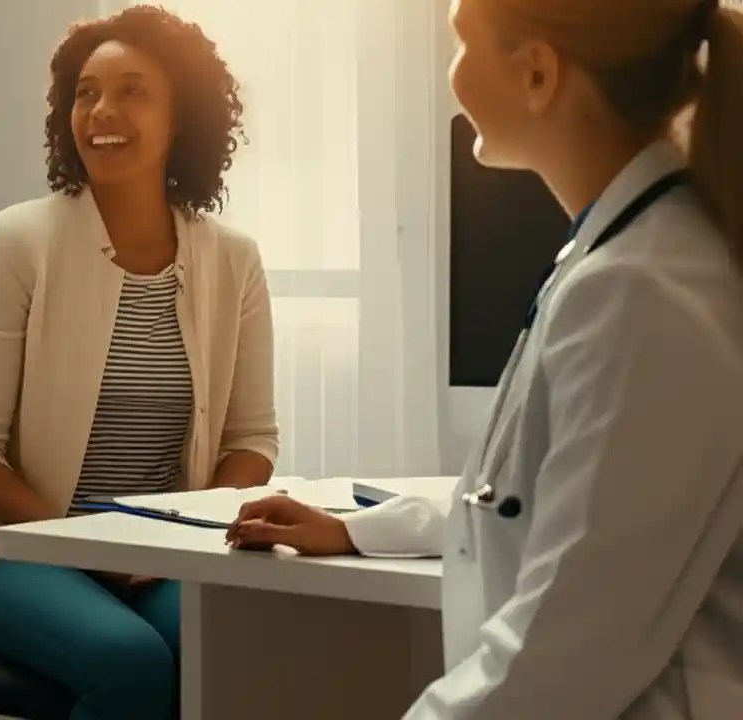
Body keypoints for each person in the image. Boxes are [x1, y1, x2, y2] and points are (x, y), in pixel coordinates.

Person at [228, 0, 743, 716]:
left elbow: (564, 655)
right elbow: (541, 499)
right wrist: (356, 528)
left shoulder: (642, 290)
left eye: (461, 46)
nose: (453, 79)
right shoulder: (624, 260)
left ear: (537, 73)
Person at [0, 5, 279, 719]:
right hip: (5, 547)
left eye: (132, 91)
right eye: (86, 92)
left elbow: (251, 443)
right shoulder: (18, 240)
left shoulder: (233, 259)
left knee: (246, 642)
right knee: (131, 662)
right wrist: (91, 547)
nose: (100, 112)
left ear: (183, 116)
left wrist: (186, 541)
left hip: (162, 554)